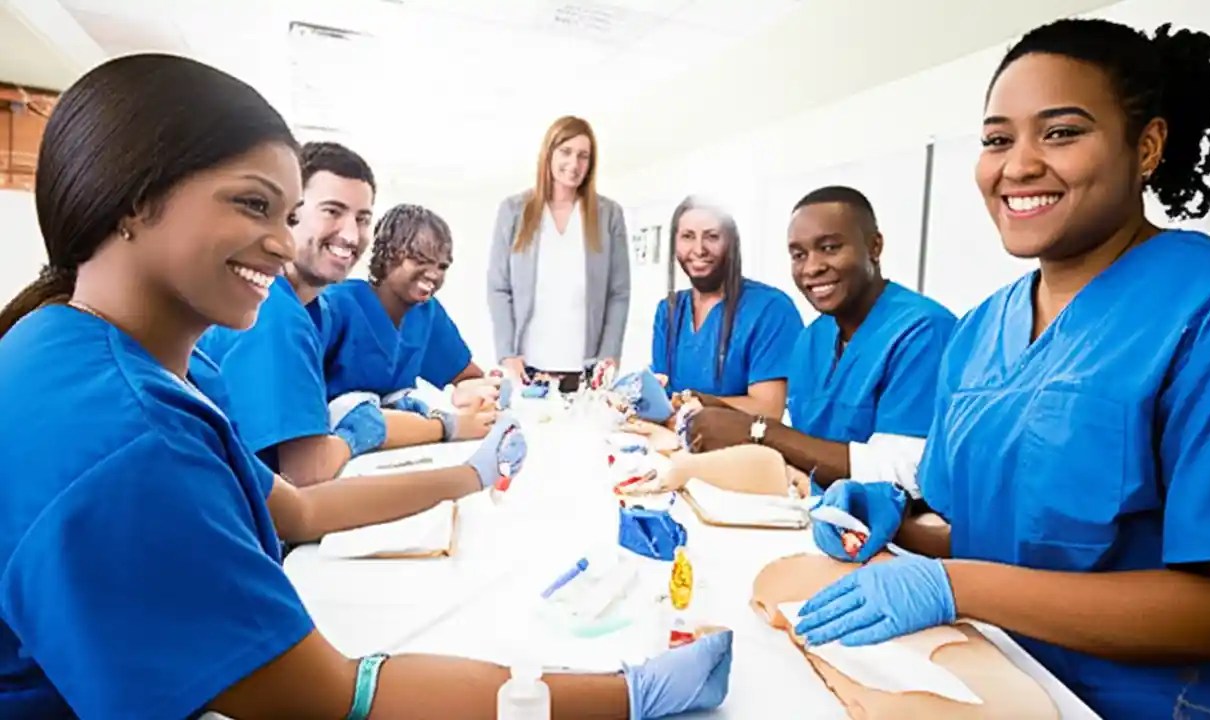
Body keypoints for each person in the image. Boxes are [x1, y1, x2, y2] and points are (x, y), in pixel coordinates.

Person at [0, 53, 731, 720]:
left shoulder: (69, 346)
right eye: (254, 206)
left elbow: (292, 508)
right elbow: (334, 695)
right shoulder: (132, 435)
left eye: (288, 215)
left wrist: (467, 475)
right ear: (134, 199)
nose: (286, 243)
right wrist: (628, 694)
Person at [796, 19, 1210, 719]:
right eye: (997, 139)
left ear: (1146, 146)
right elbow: (1001, 539)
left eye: (1060, 133)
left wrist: (953, 586)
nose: (1017, 165)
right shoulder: (980, 331)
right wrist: (895, 521)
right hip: (995, 679)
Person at [198, 143, 477, 483]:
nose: (350, 235)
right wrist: (371, 428)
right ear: (288, 213)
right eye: (332, 211)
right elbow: (307, 472)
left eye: (362, 219)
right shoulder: (272, 314)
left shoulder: (316, 311)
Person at [686, 186, 955, 493]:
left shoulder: (923, 331)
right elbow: (806, 440)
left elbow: (906, 473)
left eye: (829, 248)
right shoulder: (813, 338)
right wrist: (723, 412)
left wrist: (755, 430)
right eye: (799, 255)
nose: (812, 267)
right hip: (809, 511)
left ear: (874, 247)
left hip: (884, 534)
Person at [487, 115, 630, 392]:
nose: (574, 164)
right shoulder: (514, 210)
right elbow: (499, 287)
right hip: (527, 369)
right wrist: (507, 354)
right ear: (548, 153)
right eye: (565, 151)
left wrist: (609, 356)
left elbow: (619, 293)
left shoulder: (609, 215)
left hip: (587, 371)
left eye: (583, 156)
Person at [322, 203, 496, 428]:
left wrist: (482, 391)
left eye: (442, 266)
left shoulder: (426, 314)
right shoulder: (336, 305)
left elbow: (468, 377)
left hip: (395, 445)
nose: (433, 274)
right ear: (387, 256)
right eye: (420, 261)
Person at [651, 196, 802, 419]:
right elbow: (661, 396)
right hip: (672, 447)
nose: (699, 249)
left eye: (712, 236)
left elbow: (768, 410)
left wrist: (696, 404)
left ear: (731, 242)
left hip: (741, 451)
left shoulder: (771, 309)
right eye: (687, 236)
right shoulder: (669, 311)